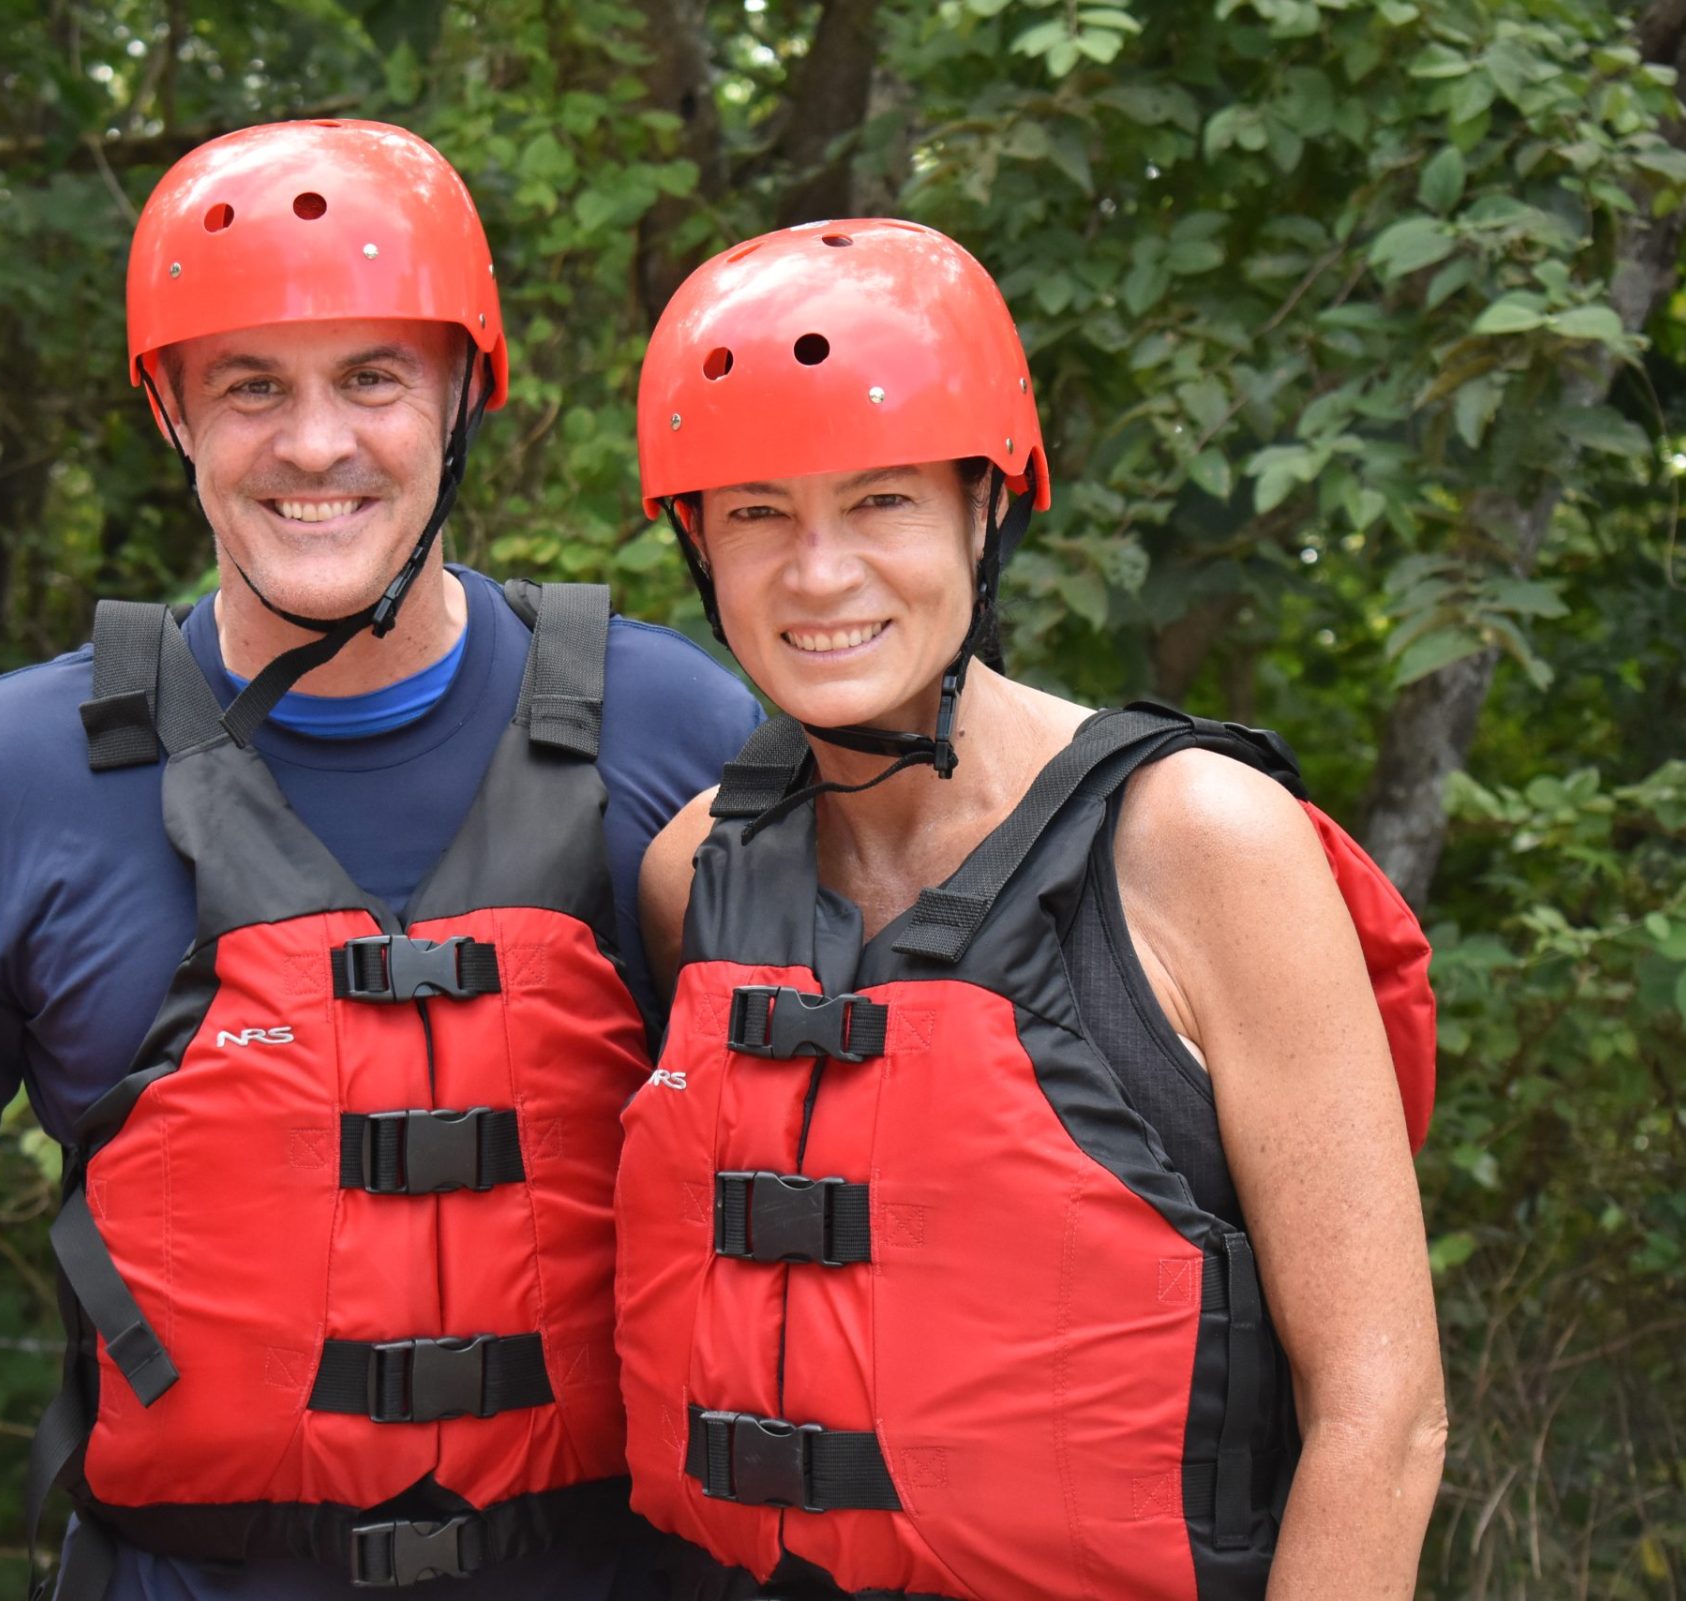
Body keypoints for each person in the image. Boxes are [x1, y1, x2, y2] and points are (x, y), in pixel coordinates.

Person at [0, 120, 760, 1599]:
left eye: (371, 377)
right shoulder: (6, 777)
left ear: (460, 395)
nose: (314, 444)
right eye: (251, 387)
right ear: (171, 411)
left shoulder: (682, 727)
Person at [611, 219, 1445, 1600]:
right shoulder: (694, 871)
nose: (819, 574)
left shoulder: (1199, 841)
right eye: (760, 512)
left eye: (882, 501)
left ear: (983, 509)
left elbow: (1384, 1411)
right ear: (697, 539)